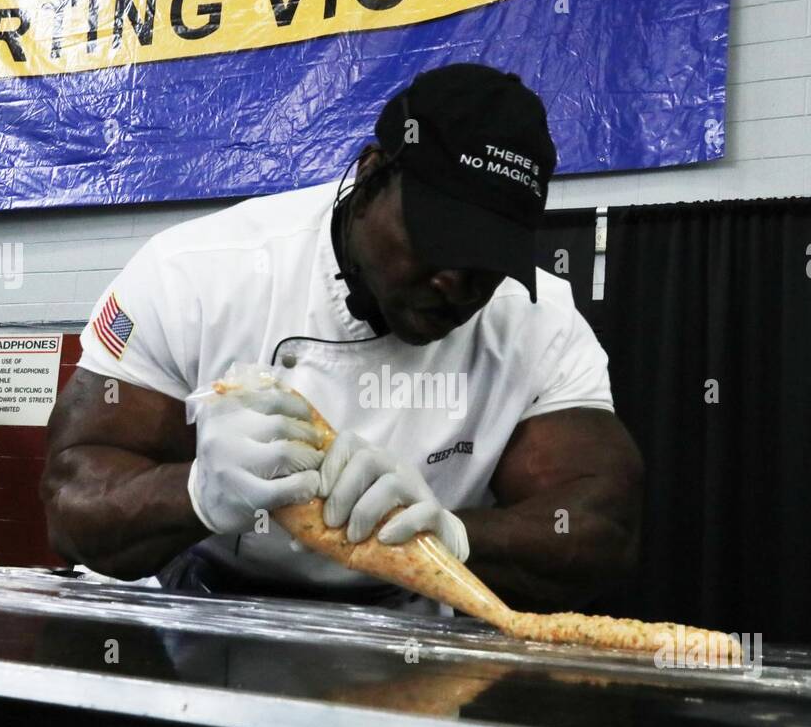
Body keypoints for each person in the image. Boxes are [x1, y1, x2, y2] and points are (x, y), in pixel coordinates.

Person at [42, 63, 642, 612]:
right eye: (436, 239)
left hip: (412, 614)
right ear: (372, 176)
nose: (453, 283)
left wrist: (450, 537)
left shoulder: (538, 321)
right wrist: (194, 493)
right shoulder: (197, 272)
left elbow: (600, 526)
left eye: (485, 260)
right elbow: (72, 498)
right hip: (209, 605)